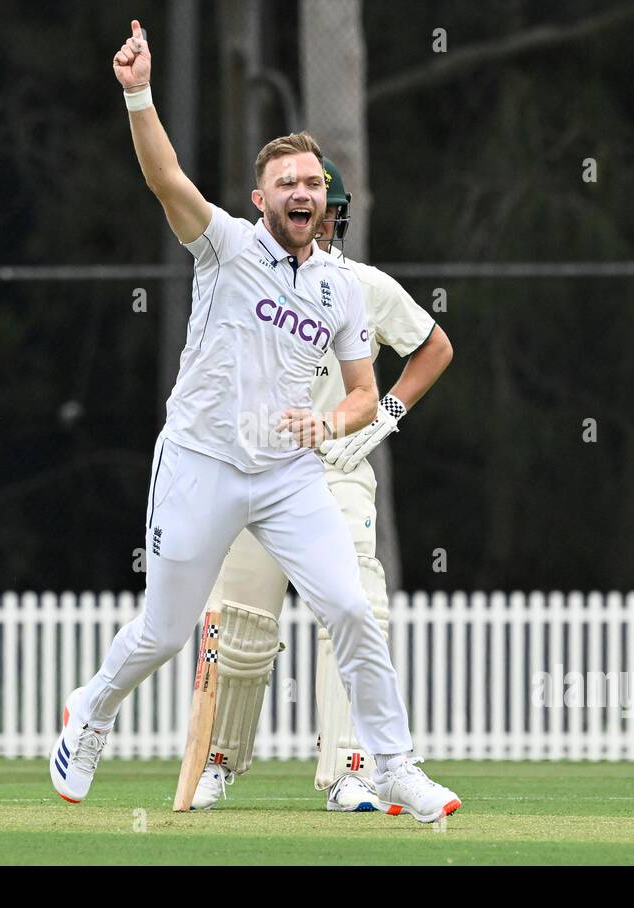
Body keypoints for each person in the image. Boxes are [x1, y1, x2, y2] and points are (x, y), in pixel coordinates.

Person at [48, 19, 460, 823]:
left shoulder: (342, 288)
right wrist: (138, 93)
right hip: (201, 463)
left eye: (313, 183)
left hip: (286, 474)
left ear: (324, 198)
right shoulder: (225, 247)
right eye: (287, 184)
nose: (303, 193)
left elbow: (360, 394)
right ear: (260, 198)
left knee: (349, 609)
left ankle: (395, 767)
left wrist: (330, 426)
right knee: (166, 634)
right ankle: (91, 710)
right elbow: (166, 178)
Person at [190, 157, 453, 812]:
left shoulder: (362, 285)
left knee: (356, 611)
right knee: (243, 625)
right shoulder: (245, 276)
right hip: (257, 471)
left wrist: (387, 415)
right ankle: (217, 762)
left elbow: (434, 345)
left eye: (326, 203)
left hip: (335, 475)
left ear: (336, 214)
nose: (318, 214)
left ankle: (352, 770)